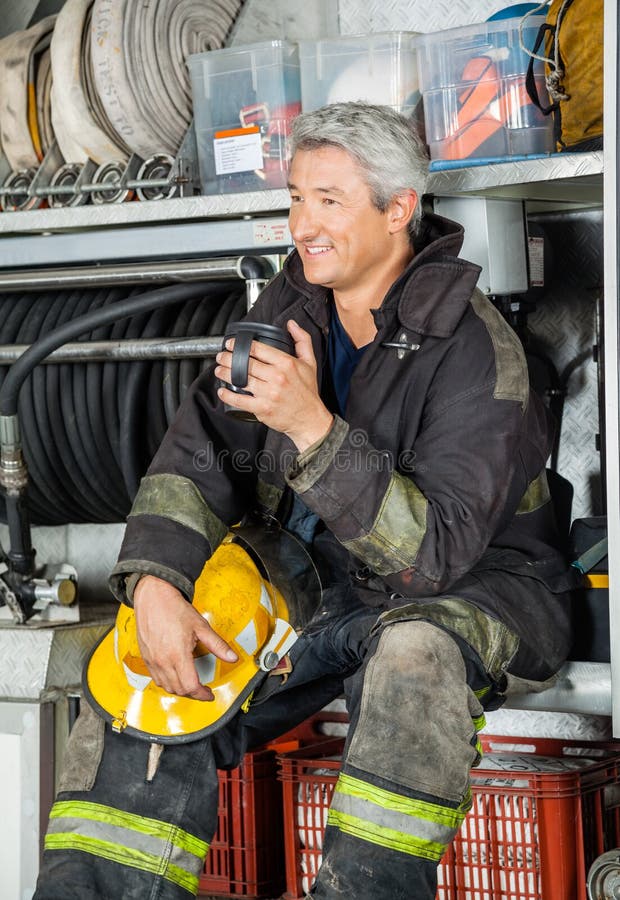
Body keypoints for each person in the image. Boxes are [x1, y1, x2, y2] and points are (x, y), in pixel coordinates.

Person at [34, 101, 577, 900]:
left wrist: (311, 428)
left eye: (330, 200)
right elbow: (195, 459)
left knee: (413, 657)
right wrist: (153, 582)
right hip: (314, 583)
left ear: (398, 210)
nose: (304, 223)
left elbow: (431, 559)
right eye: (295, 197)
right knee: (143, 659)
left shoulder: (476, 352)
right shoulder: (284, 313)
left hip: (477, 589)